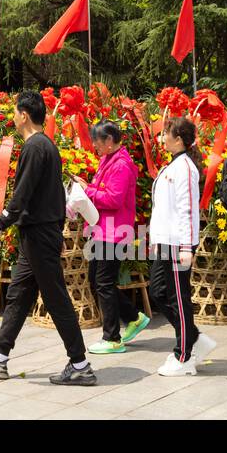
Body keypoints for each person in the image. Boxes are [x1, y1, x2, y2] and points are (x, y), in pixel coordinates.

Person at [0, 90, 94, 386]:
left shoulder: (35, 147)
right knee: (19, 295)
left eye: (13, 112)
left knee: (56, 299)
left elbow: (22, 195)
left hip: (39, 235)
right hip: (36, 235)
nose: (11, 117)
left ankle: (80, 364)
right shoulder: (44, 145)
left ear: (24, 115)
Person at [149, 118, 217, 376]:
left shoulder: (185, 167)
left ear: (178, 139)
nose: (162, 137)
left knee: (179, 298)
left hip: (179, 244)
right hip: (166, 242)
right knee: (158, 292)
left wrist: (186, 246)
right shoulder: (173, 165)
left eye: (166, 133)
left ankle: (185, 355)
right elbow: (164, 209)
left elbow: (187, 209)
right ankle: (195, 337)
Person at [76, 119, 148, 353]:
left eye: (96, 141)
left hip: (114, 232)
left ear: (108, 140)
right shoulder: (108, 160)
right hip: (103, 229)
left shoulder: (121, 165)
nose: (94, 146)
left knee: (104, 282)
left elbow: (114, 199)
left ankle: (112, 338)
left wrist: (87, 190)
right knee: (97, 280)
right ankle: (134, 317)